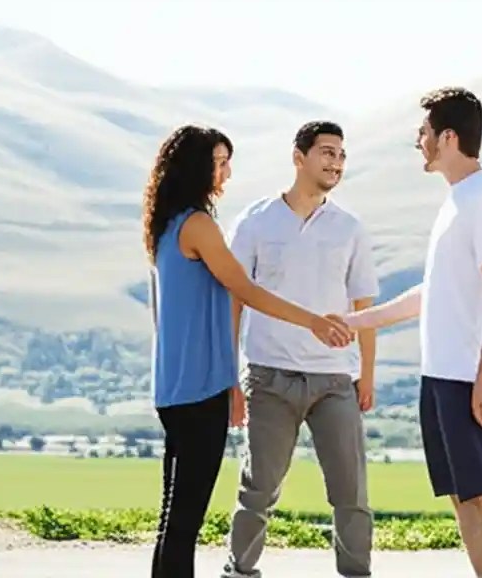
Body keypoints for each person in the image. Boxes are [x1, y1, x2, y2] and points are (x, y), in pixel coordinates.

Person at [344, 87, 482, 578]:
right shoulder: (456, 200)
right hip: (438, 376)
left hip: (465, 377)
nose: (419, 140)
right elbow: (432, 292)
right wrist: (355, 323)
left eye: (424, 132)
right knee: (465, 497)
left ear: (448, 137)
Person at [141, 124, 353, 578]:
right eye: (220, 163)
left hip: (173, 386)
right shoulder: (198, 225)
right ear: (197, 167)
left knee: (173, 519)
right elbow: (246, 289)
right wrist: (313, 321)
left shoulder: (165, 224)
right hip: (201, 388)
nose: (227, 173)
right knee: (185, 520)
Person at [222, 121, 381, 578]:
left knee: (351, 493)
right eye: (327, 152)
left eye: (341, 155)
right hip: (269, 376)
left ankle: (356, 574)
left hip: (335, 380)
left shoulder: (350, 228)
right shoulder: (255, 221)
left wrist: (367, 376)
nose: (336, 162)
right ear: (299, 157)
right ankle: (239, 571)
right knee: (258, 490)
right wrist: (230, 378)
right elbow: (234, 300)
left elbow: (364, 306)